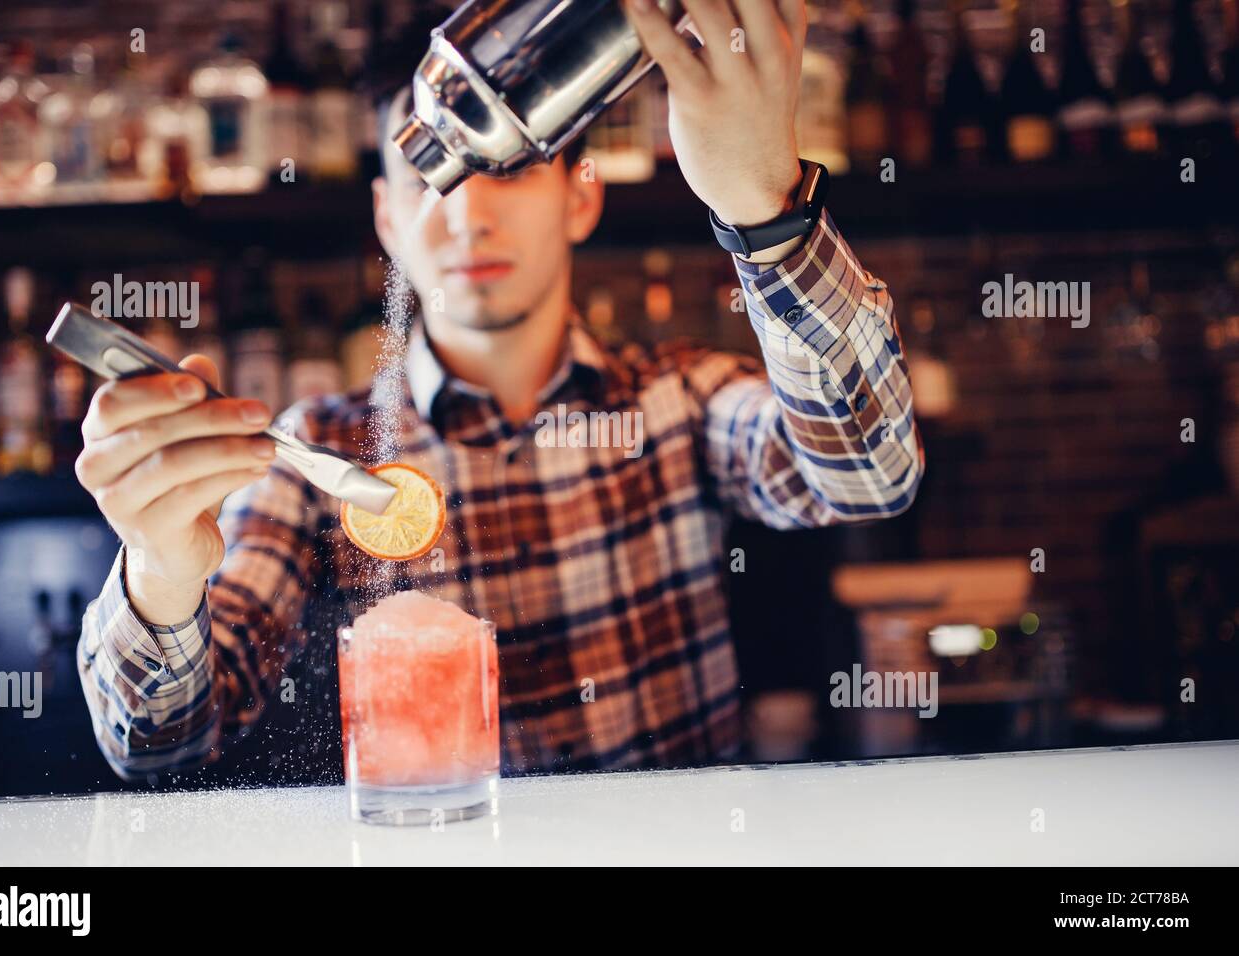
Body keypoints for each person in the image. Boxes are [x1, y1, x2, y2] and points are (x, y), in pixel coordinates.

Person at [75, 1, 923, 780]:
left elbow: (867, 476)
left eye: (511, 168)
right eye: (431, 175)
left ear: (580, 198)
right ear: (386, 216)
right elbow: (162, 744)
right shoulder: (318, 456)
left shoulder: (677, 402)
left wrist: (765, 212)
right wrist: (161, 571)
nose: (469, 212)